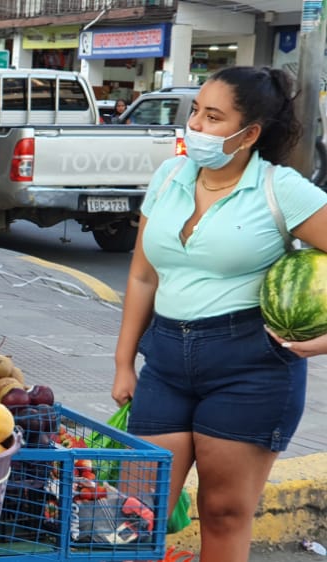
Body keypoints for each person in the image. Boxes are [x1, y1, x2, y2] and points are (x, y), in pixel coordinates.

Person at [112, 66, 327, 561]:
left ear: (249, 133)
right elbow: (143, 275)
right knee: (136, 510)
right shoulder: (169, 176)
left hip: (251, 368)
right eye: (195, 112)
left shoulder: (281, 189)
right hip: (164, 361)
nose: (196, 126)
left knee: (224, 511)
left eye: (213, 117)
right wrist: (125, 362)